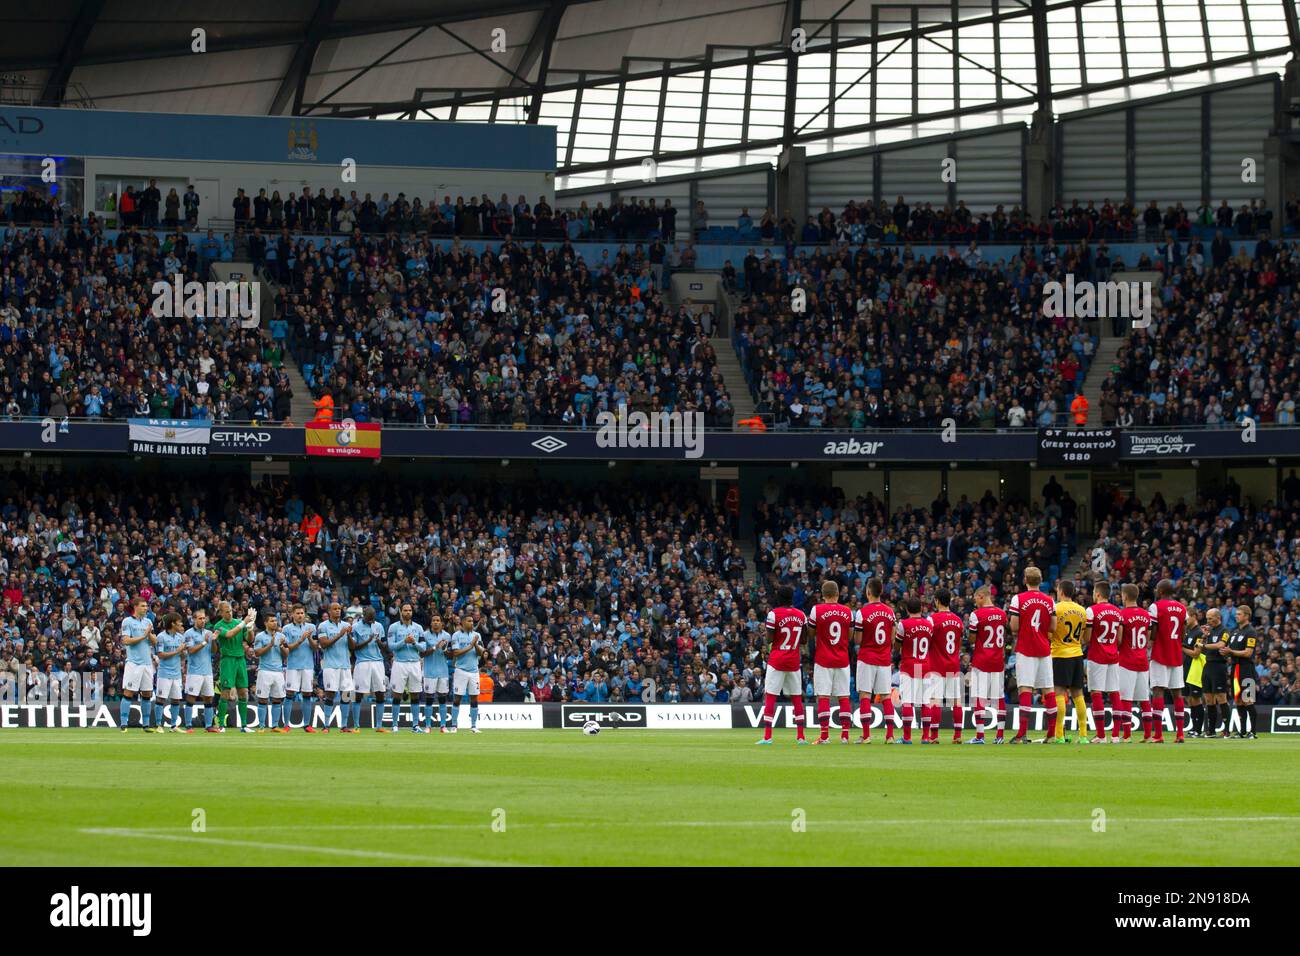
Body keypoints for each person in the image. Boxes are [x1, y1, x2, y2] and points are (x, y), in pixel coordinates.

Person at [1007, 566, 1055, 743]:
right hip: (1044, 649)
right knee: (1048, 690)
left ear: (1025, 580)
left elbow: (1014, 626)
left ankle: (1022, 734)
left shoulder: (1018, 599)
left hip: (1026, 649)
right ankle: (1051, 734)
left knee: (1025, 689)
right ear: (1040, 581)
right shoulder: (1049, 600)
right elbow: (1053, 627)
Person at [757, 585, 807, 745]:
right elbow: (805, 640)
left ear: (778, 598)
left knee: (771, 696)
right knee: (797, 698)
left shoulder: (774, 614)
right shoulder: (801, 615)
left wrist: (767, 635)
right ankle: (800, 737)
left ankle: (767, 737)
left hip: (777, 659)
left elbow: (770, 639)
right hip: (793, 661)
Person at [804, 579, 853, 744]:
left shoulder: (816, 610)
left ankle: (824, 736)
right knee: (844, 697)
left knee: (824, 697)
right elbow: (851, 636)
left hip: (824, 659)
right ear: (838, 594)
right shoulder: (847, 611)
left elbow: (810, 634)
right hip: (842, 659)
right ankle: (845, 736)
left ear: (823, 595)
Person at [852, 577, 897, 743]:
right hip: (884, 659)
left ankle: (866, 735)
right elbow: (892, 638)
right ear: (882, 591)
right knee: (885, 696)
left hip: (867, 657)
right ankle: (890, 735)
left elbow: (857, 640)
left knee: (865, 694)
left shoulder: (862, 612)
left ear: (868, 591)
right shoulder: (890, 612)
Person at [1147, 579, 1189, 743]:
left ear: (1162, 591)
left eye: (1157, 588)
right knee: (1177, 693)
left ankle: (1158, 735)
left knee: (1158, 691)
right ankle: (1180, 734)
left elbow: (1154, 631)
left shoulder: (1156, 606)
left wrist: (1151, 641)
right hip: (1176, 654)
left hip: (1160, 654)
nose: (1155, 590)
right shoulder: (1182, 608)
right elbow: (1183, 631)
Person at [966, 586, 1008, 744]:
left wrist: (971, 638)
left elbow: (971, 639)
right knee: (999, 697)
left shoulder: (976, 615)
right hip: (997, 660)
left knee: (980, 698)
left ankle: (980, 736)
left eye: (976, 598)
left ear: (982, 596)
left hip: (982, 660)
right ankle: (1000, 735)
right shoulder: (1002, 614)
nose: (975, 602)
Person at [1083, 581, 1124, 743]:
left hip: (1097, 656)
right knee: (1114, 693)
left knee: (1096, 693)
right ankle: (1115, 735)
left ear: (1098, 594)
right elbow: (1119, 639)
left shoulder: (1091, 611)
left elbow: (1087, 638)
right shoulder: (1117, 612)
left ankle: (1101, 735)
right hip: (1113, 656)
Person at [1049, 579, 1088, 743]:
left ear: (1061, 591)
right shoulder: (1082, 610)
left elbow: (1049, 632)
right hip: (1077, 654)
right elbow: (1085, 637)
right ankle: (1084, 735)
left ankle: (1059, 735)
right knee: (1078, 695)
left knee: (1059, 693)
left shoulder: (1056, 609)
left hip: (1059, 654)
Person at [926, 588, 964, 743]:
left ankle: (934, 735)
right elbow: (958, 643)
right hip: (953, 665)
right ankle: (957, 735)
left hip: (936, 665)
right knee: (956, 700)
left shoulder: (932, 619)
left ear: (937, 601)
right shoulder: (958, 620)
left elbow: (927, 642)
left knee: (935, 700)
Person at [1117, 584, 1154, 742]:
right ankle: (1147, 735)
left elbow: (1119, 640)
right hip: (1142, 660)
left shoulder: (1122, 614)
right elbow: (1149, 638)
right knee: (1144, 699)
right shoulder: (1147, 615)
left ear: (1124, 596)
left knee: (1126, 699)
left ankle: (1127, 735)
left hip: (1127, 661)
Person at [894, 596, 933, 745]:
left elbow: (896, 648)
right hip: (925, 666)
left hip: (909, 666)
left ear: (907, 609)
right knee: (925, 703)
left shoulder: (904, 624)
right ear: (921, 608)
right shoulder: (929, 624)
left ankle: (907, 737)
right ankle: (925, 737)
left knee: (908, 702)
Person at [212, 601, 255, 733]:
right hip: (227, 660)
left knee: (243, 692)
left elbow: (249, 639)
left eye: (230, 610)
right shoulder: (218, 626)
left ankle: (243, 725)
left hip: (240, 659)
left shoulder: (238, 622)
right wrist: (244, 622)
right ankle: (221, 725)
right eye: (226, 611)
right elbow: (230, 634)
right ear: (220, 613)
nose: (229, 613)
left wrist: (249, 627)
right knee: (225, 692)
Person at [119, 598, 160, 732]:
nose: (146, 608)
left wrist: (149, 635)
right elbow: (125, 641)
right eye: (143, 606)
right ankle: (124, 724)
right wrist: (143, 636)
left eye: (146, 606)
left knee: (147, 693)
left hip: (147, 663)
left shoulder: (148, 621)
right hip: (134, 663)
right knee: (129, 692)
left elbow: (154, 641)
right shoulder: (127, 621)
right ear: (135, 607)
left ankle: (146, 724)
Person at [384, 602, 424, 733]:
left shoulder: (418, 628)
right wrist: (404, 641)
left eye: (410, 610)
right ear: (401, 612)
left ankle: (415, 725)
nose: (408, 612)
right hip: (399, 663)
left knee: (415, 694)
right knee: (397, 694)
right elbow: (390, 646)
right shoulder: (393, 627)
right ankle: (395, 725)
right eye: (405, 610)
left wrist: (414, 643)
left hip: (415, 663)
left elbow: (423, 647)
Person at [316, 602, 354, 732]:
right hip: (330, 665)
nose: (338, 611)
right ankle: (326, 725)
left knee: (346, 695)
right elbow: (324, 644)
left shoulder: (346, 625)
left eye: (339, 609)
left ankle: (343, 726)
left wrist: (348, 635)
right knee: (330, 694)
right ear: (329, 611)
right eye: (335, 609)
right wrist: (340, 634)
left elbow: (352, 647)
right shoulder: (323, 626)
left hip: (345, 665)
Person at [1224, 603, 1260, 738]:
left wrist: (1231, 651)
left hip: (1246, 668)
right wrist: (1225, 652)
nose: (1236, 616)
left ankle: (1253, 731)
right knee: (1238, 700)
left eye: (1239, 614)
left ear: (1247, 616)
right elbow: (1230, 650)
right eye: (1236, 614)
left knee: (1248, 699)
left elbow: (1248, 653)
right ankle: (1243, 731)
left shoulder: (1251, 631)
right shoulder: (1235, 632)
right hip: (1235, 668)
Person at [349, 606, 387, 732]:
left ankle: (379, 726)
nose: (372, 621)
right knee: (358, 694)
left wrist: (378, 642)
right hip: (362, 662)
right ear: (364, 615)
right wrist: (368, 640)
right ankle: (356, 725)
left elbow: (385, 646)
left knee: (380, 693)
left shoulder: (379, 626)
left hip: (378, 662)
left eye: (373, 618)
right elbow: (353, 647)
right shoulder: (355, 627)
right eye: (369, 618)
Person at [252, 614, 289, 733]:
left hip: (278, 671)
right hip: (265, 671)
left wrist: (282, 646)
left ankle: (274, 726)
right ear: (266, 623)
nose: (275, 623)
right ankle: (262, 726)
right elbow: (257, 653)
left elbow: (286, 654)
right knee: (263, 699)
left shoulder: (282, 636)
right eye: (272, 621)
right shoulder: (260, 636)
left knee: (277, 700)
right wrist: (270, 645)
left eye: (275, 620)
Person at [281, 604, 317, 731]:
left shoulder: (311, 627)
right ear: (292, 615)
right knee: (290, 693)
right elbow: (287, 647)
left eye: (302, 613)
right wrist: (301, 640)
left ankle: (307, 725)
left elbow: (315, 648)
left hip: (308, 666)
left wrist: (310, 639)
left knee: (307, 694)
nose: (300, 615)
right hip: (293, 666)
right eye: (297, 613)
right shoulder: (286, 629)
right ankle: (286, 725)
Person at [183, 608, 219, 733]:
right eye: (200, 618)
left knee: (209, 698)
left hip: (207, 671)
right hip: (194, 671)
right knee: (191, 698)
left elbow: (214, 651)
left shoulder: (208, 632)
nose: (203, 620)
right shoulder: (189, 633)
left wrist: (213, 641)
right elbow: (191, 650)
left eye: (204, 618)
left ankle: (208, 726)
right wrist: (205, 641)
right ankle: (188, 725)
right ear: (194, 619)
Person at [449, 613, 484, 733]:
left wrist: (475, 645)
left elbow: (481, 653)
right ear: (462, 623)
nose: (472, 623)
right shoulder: (456, 635)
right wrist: (471, 645)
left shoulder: (477, 635)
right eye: (469, 621)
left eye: (472, 621)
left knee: (474, 698)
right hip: (461, 671)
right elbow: (456, 652)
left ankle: (473, 726)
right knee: (457, 698)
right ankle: (454, 725)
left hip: (474, 671)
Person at [154, 612, 188, 732]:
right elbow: (161, 655)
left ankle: (173, 726)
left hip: (177, 673)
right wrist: (177, 651)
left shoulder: (180, 637)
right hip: (164, 673)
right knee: (160, 699)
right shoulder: (161, 637)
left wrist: (183, 652)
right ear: (173, 623)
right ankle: (158, 725)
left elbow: (183, 657)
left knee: (176, 699)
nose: (181, 624)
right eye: (179, 622)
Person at [420, 613, 453, 733]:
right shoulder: (424, 635)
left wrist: (444, 649)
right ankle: (428, 726)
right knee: (429, 699)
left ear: (441, 623)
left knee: (442, 699)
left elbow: (451, 654)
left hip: (443, 671)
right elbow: (422, 653)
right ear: (431, 622)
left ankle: (443, 726)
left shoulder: (447, 636)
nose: (435, 622)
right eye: (433, 620)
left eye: (438, 620)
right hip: (429, 672)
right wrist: (435, 647)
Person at [1181, 608, 1206, 737]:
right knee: (1189, 699)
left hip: (1195, 669)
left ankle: (1198, 729)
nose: (1185, 620)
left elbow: (1196, 654)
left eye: (1187, 618)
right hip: (1186, 668)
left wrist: (1181, 647)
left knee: (1196, 698)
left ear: (1194, 616)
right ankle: (1194, 727)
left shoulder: (1199, 633)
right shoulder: (1188, 632)